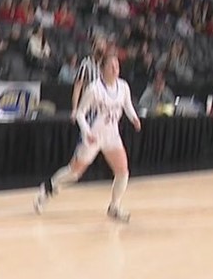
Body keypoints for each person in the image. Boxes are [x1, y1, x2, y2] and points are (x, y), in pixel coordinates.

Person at [35, 54, 142, 221]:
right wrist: (87, 132)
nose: (115, 69)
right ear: (102, 69)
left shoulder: (123, 87)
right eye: (111, 66)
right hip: (94, 135)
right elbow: (80, 114)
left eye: (117, 66)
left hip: (112, 135)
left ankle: (114, 207)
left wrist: (134, 118)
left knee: (122, 172)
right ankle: (47, 188)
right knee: (74, 173)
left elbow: (127, 105)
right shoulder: (94, 89)